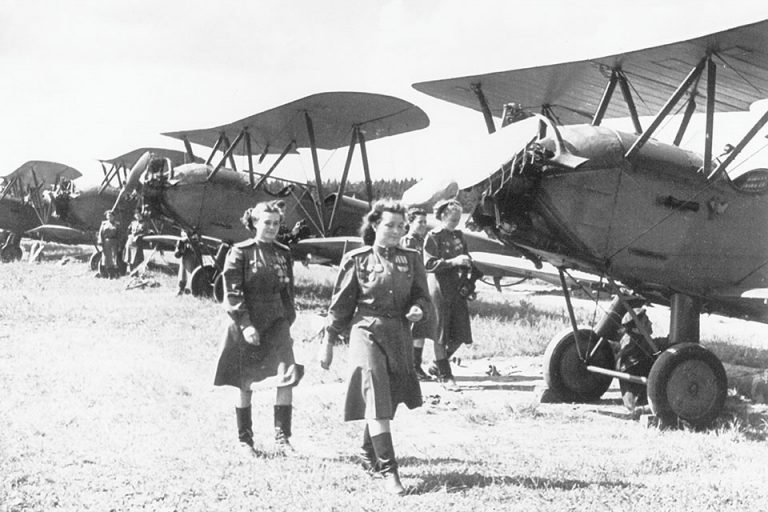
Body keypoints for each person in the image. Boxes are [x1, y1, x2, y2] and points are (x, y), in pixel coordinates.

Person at [319, 199, 432, 495]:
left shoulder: (411, 258)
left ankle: (366, 452)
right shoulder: (357, 259)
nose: (395, 231)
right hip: (365, 331)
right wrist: (328, 342)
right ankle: (389, 470)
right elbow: (340, 305)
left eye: (400, 226)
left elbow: (422, 296)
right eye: (389, 225)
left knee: (388, 398)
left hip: (398, 334)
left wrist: (419, 309)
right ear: (374, 226)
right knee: (376, 390)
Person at [213, 201, 304, 454]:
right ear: (254, 223)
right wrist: (245, 324)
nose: (272, 227)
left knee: (287, 376)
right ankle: (245, 440)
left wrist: (287, 322)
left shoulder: (283, 252)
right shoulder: (240, 252)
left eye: (276, 223)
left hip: (276, 322)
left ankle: (282, 438)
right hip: (247, 322)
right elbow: (232, 292)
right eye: (267, 222)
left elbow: (288, 291)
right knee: (245, 380)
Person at [423, 199, 474, 390]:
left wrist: (468, 269)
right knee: (440, 334)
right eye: (452, 219)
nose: (456, 222)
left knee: (462, 333)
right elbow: (428, 264)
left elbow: (465, 257)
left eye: (458, 219)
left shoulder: (459, 235)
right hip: (439, 288)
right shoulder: (433, 236)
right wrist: (453, 262)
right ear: (443, 216)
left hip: (457, 287)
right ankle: (446, 376)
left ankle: (437, 364)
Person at [400, 207, 435, 381]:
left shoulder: (424, 241)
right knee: (411, 329)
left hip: (422, 288)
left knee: (420, 329)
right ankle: (410, 367)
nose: (423, 225)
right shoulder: (407, 242)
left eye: (424, 222)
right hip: (411, 289)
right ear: (410, 223)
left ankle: (416, 365)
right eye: (419, 222)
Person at [174, 231, 201, 295]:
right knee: (183, 268)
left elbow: (197, 235)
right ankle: (181, 288)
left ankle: (193, 289)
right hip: (187, 248)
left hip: (194, 248)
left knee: (193, 270)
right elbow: (183, 233)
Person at [97, 210, 120, 279]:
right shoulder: (104, 224)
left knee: (114, 258)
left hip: (114, 242)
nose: (109, 217)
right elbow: (100, 233)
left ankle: (115, 274)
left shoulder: (117, 224)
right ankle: (110, 274)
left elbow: (119, 235)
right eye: (108, 216)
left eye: (111, 216)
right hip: (106, 242)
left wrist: (119, 244)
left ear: (114, 216)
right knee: (107, 259)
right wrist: (100, 242)